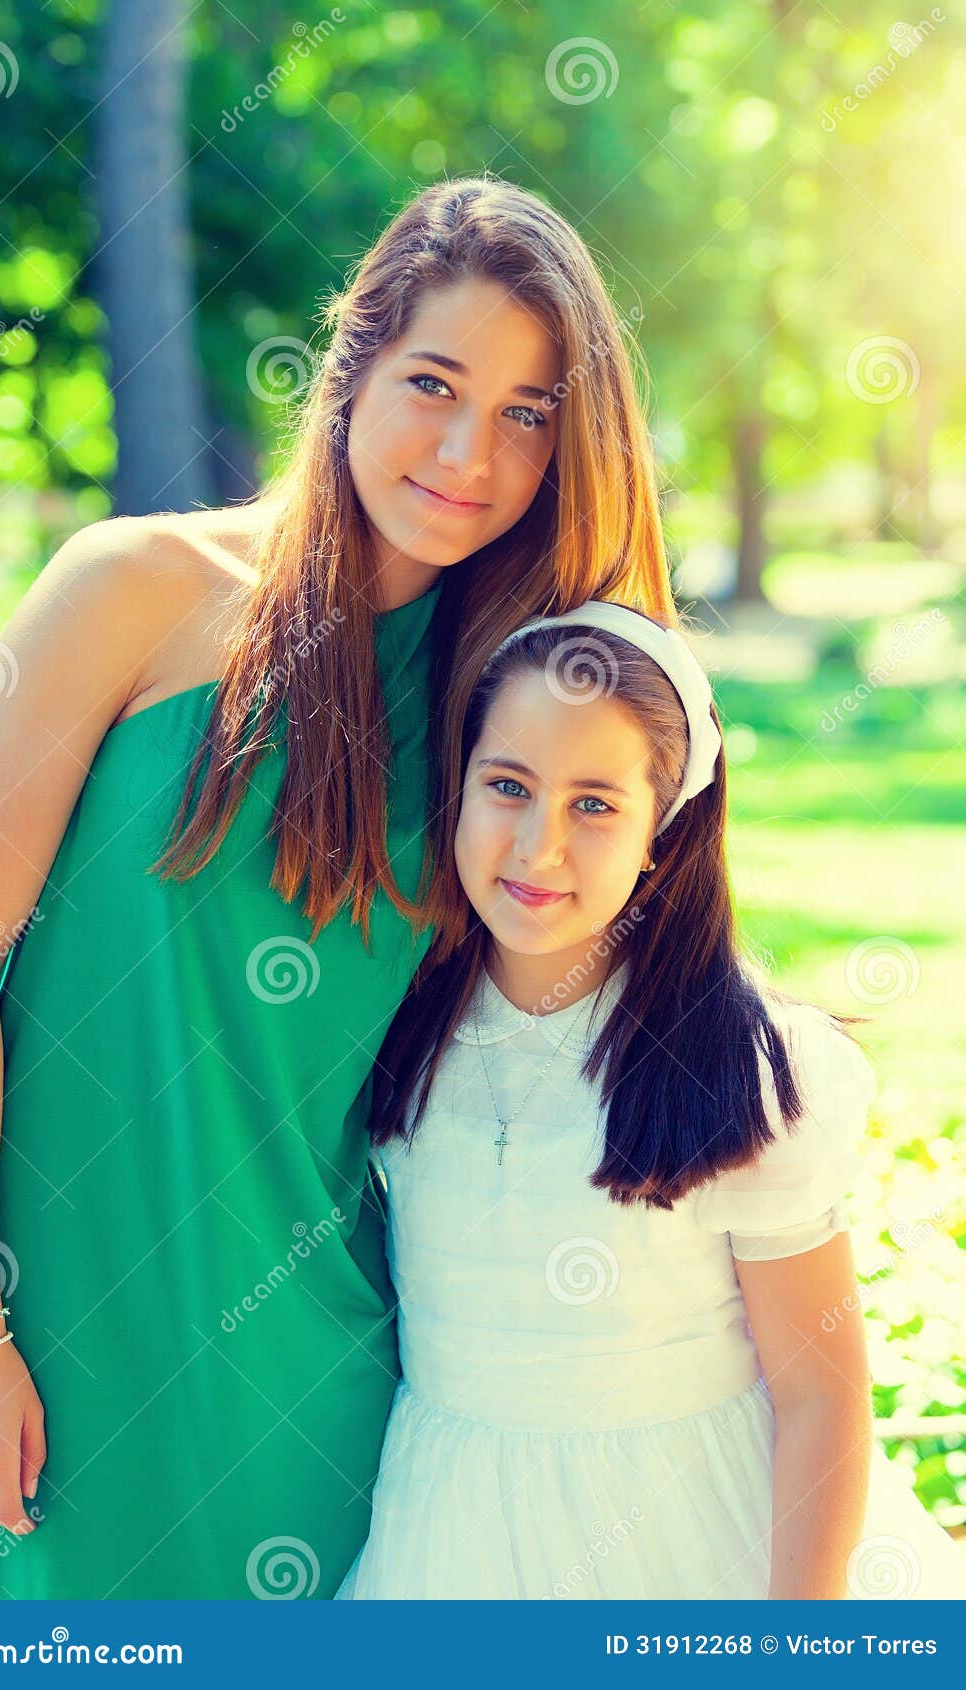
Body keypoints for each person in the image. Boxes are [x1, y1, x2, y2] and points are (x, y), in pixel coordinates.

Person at [0, 176, 676, 1599]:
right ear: (348, 364)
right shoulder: (127, 588)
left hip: (321, 1376)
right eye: (431, 383)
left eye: (524, 414)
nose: (464, 452)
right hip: (44, 1335)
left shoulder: (514, 703)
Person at [335, 601, 966, 1600]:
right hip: (446, 1529)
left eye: (594, 805)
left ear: (659, 838)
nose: (536, 847)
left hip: (691, 1541)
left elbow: (816, 1390)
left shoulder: (738, 1066)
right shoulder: (392, 1012)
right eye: (507, 786)